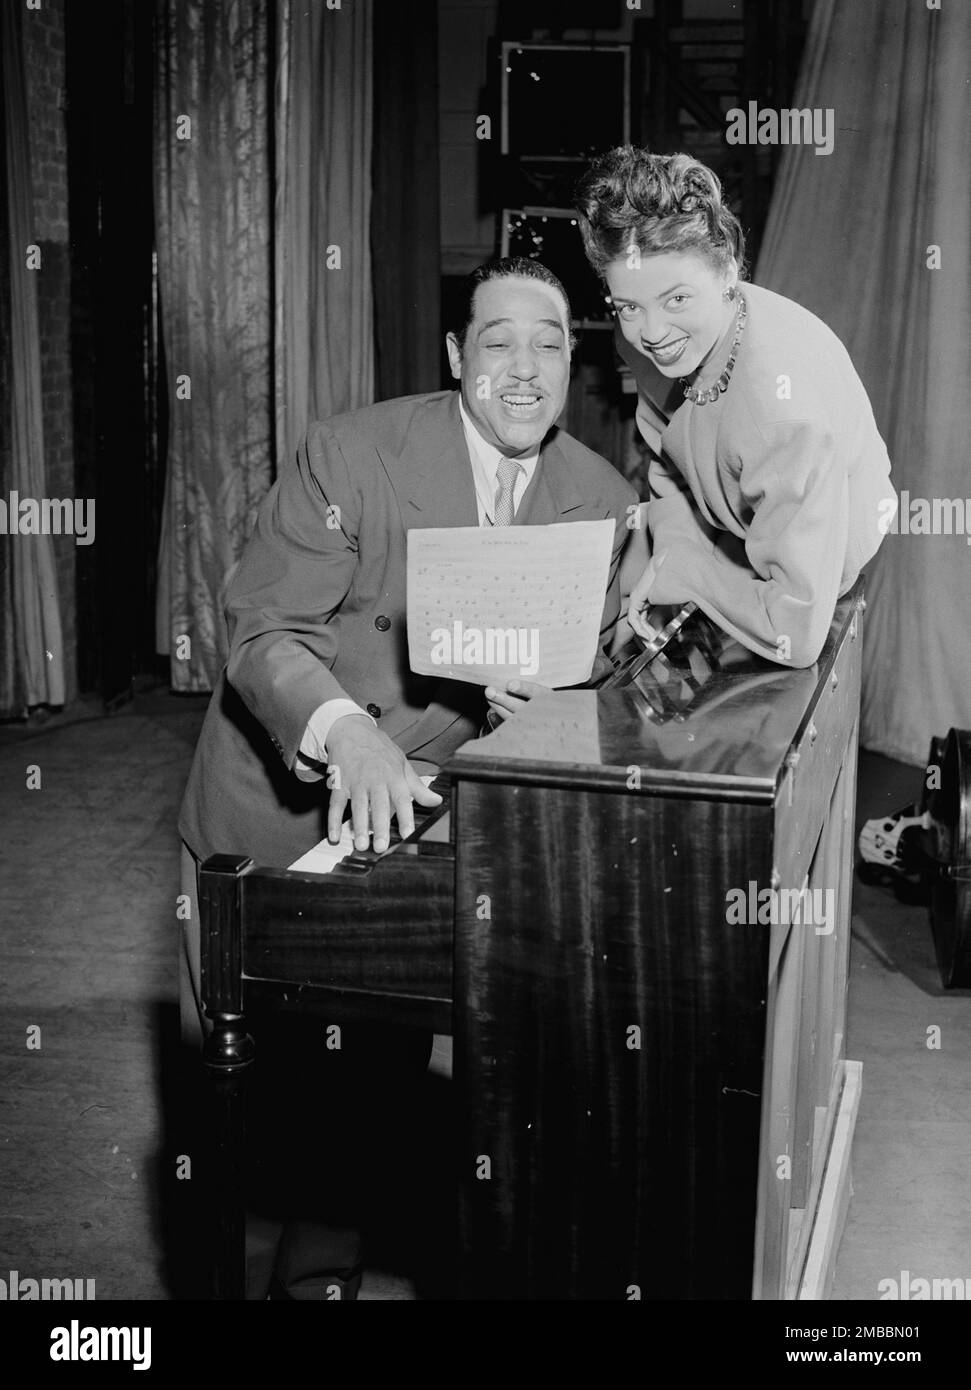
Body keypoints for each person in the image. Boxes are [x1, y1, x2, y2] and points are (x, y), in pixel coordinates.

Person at [175, 256, 639, 1295]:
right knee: (246, 1123)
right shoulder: (352, 453)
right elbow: (262, 631)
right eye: (496, 341)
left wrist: (553, 706)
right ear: (453, 356)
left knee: (368, 1104)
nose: (523, 369)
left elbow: (600, 670)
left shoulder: (600, 499)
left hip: (420, 828)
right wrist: (344, 731)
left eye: (549, 343)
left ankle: (327, 1277)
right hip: (277, 806)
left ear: (576, 361)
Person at [575, 146, 897, 669]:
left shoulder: (784, 416)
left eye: (677, 299)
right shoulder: (640, 335)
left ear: (727, 268)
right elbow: (670, 459)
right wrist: (674, 550)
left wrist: (691, 572)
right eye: (629, 306)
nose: (652, 334)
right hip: (732, 531)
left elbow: (795, 634)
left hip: (814, 569)